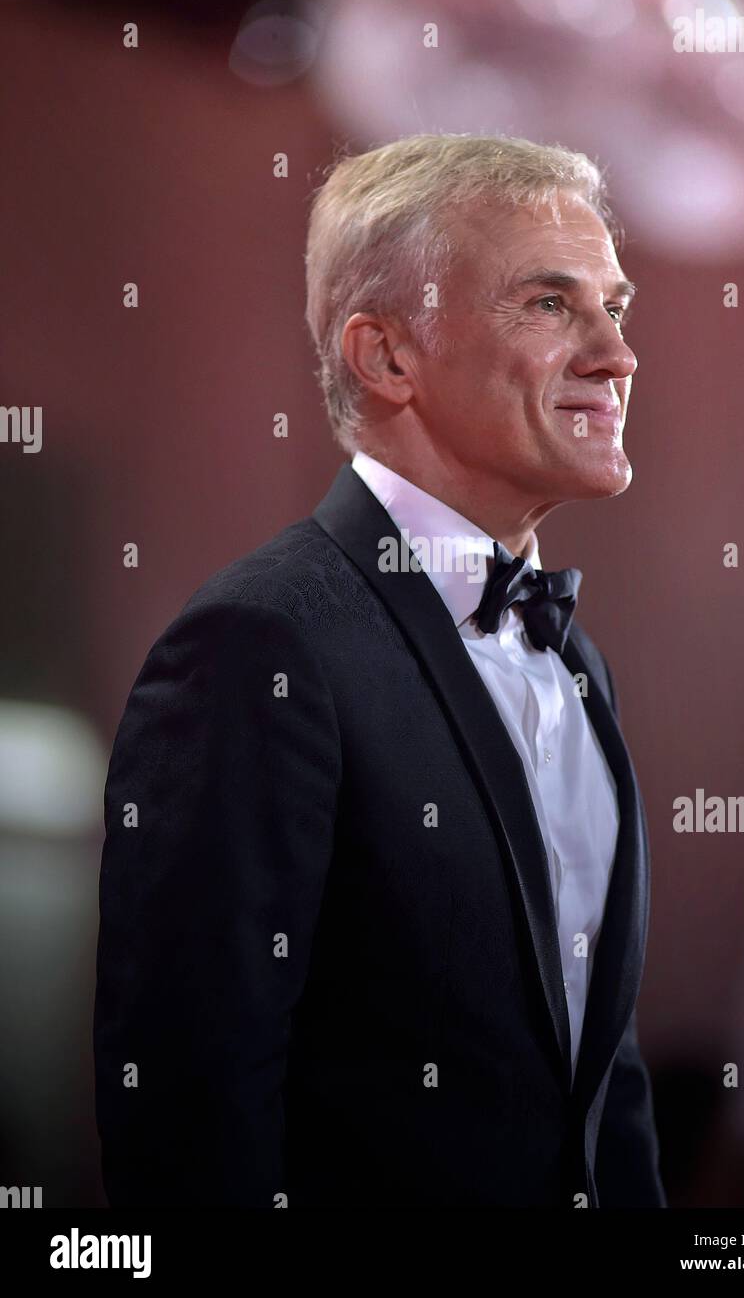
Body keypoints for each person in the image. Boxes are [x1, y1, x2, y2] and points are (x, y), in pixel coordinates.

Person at [94, 133, 666, 1208]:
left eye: (615, 305)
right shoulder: (259, 643)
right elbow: (188, 1108)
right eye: (549, 303)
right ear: (387, 357)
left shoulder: (574, 660)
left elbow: (604, 1085)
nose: (616, 354)